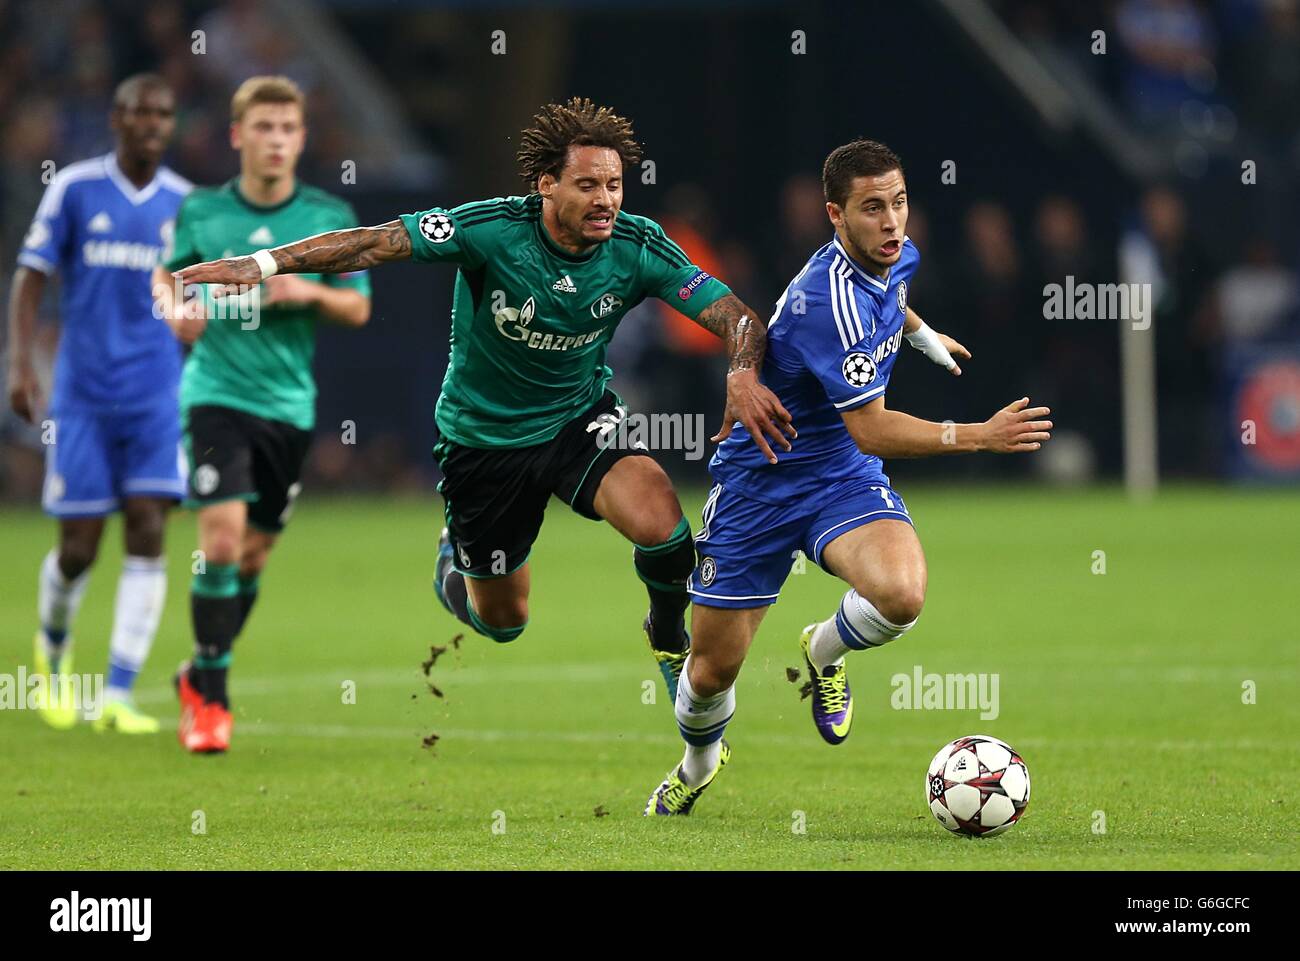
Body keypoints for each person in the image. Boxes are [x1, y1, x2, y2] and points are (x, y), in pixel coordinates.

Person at [171, 97, 794, 706]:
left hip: (577, 421)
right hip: (484, 442)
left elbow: (738, 318)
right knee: (503, 621)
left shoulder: (637, 246)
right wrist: (265, 263)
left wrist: (741, 372)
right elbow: (376, 243)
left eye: (614, 184)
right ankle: (452, 565)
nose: (605, 199)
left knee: (665, 528)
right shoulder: (492, 230)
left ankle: (667, 639)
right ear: (547, 185)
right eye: (587, 185)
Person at [644, 140, 1053, 815]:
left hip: (838, 475)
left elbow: (893, 299)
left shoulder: (898, 252)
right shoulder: (820, 303)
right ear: (836, 215)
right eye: (872, 208)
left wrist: (923, 336)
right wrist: (978, 435)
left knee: (901, 593)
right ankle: (699, 761)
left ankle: (823, 650)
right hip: (760, 483)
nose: (892, 221)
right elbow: (873, 426)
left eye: (898, 202)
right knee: (710, 673)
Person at [153, 75, 372, 753]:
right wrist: (174, 311)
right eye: (263, 128)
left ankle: (197, 670)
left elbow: (358, 305)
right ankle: (212, 700)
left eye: (287, 129)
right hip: (216, 395)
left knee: (251, 556)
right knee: (218, 541)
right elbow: (169, 277)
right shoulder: (203, 211)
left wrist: (303, 289)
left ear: (300, 139)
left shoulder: (325, 214)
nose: (275, 140)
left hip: (287, 406)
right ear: (238, 135)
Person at [7, 74, 190, 733]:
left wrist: (200, 317)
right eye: (140, 111)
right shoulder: (75, 188)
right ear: (116, 118)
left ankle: (116, 693)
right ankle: (52, 652)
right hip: (82, 393)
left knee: (148, 526)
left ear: (171, 123)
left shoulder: (186, 204)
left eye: (163, 112)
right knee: (80, 545)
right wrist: (21, 364)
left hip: (155, 394)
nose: (151, 122)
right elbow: (30, 275)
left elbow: (201, 291)